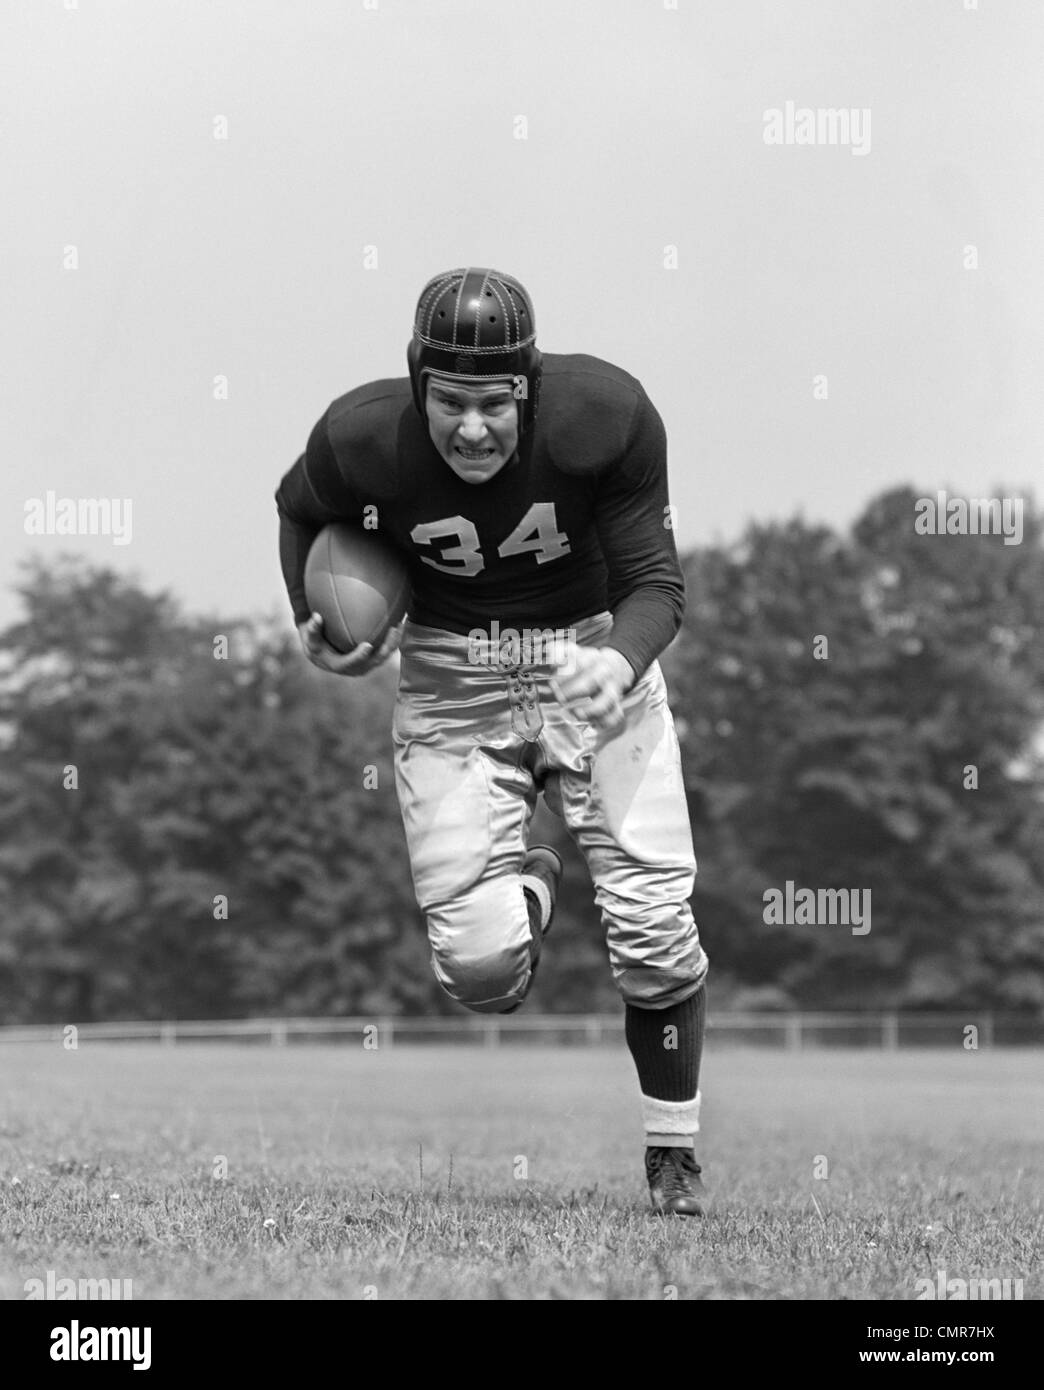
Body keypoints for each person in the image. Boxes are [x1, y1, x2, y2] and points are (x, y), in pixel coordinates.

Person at [275, 267, 709, 1214]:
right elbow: (299, 507)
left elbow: (658, 584)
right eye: (451, 403)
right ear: (417, 384)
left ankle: (673, 1151)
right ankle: (535, 875)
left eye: (495, 404)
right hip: (450, 673)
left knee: (653, 926)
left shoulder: (606, 415)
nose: (473, 429)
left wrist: (620, 662)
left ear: (532, 390)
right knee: (477, 974)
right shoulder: (360, 438)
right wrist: (326, 631)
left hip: (589, 652)